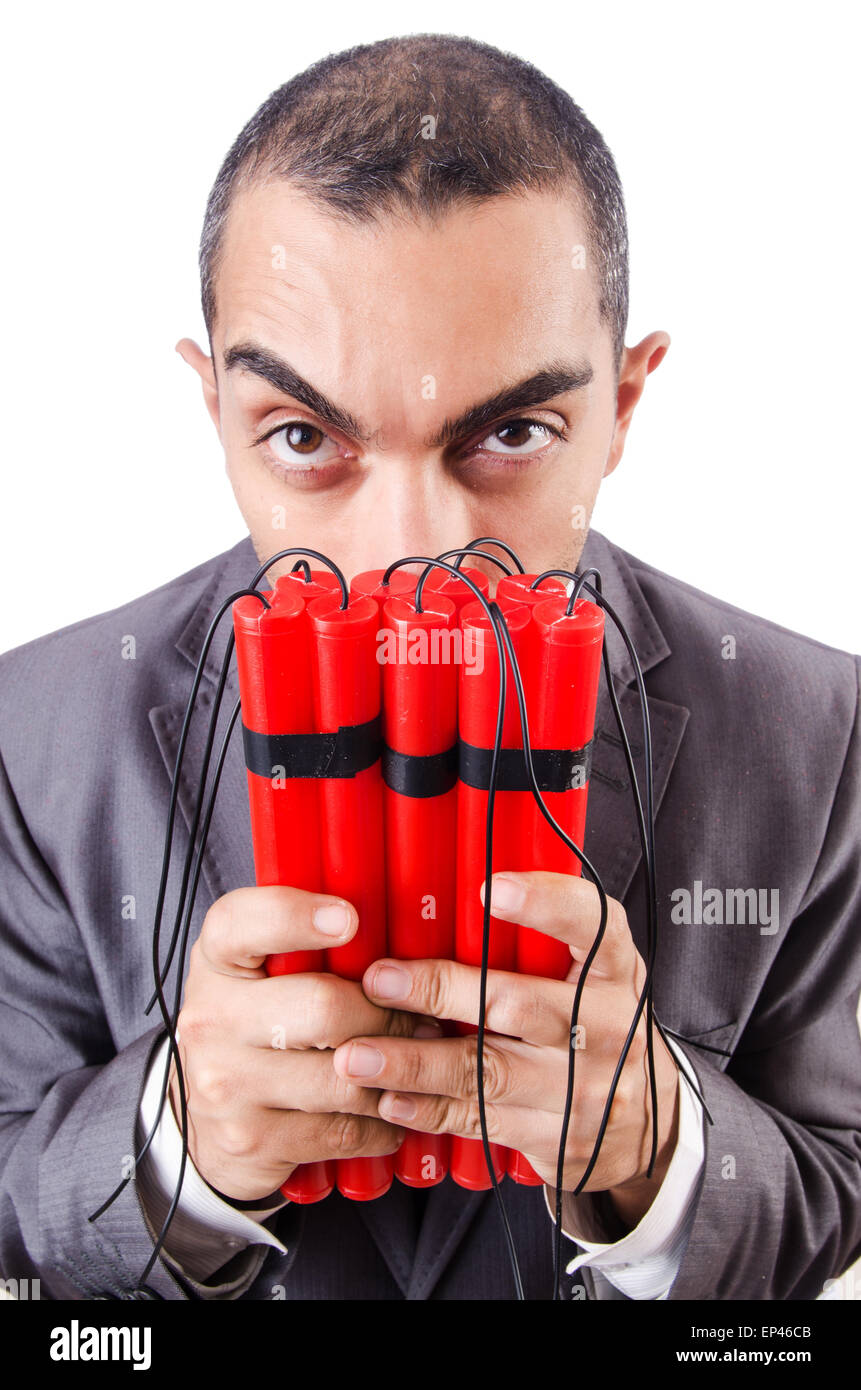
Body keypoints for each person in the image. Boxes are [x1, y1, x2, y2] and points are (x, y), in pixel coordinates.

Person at [0, 33, 858, 1302]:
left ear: (625, 407)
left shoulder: (822, 728)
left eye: (513, 430)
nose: (412, 558)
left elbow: (835, 1181)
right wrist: (177, 1148)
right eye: (303, 435)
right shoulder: (32, 730)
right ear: (216, 416)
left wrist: (658, 1151)